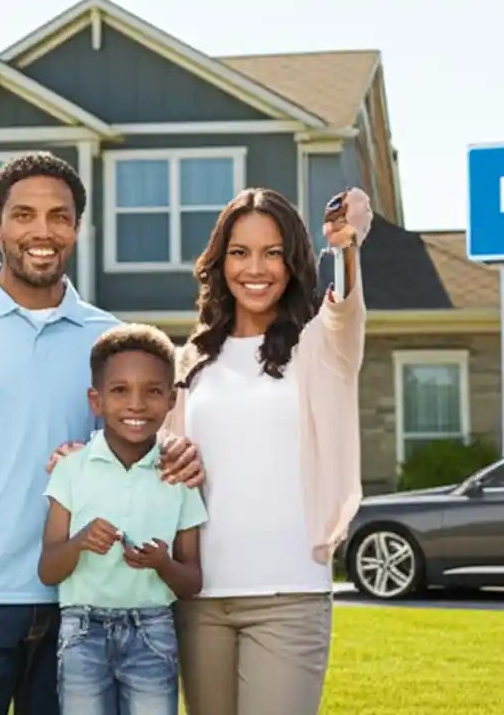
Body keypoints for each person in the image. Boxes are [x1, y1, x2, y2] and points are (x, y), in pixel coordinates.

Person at [0, 151, 205, 715]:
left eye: (59, 216)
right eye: (24, 215)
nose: (42, 231)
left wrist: (180, 454)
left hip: (81, 605)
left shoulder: (113, 344)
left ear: (77, 228)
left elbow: (145, 444)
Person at [164, 186, 373, 714]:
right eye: (240, 252)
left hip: (290, 595)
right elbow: (164, 456)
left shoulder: (322, 345)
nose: (255, 268)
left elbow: (344, 307)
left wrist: (347, 246)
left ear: (293, 261)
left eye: (272, 252)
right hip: (198, 599)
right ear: (220, 261)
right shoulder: (192, 358)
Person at [38, 323, 207, 715]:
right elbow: (48, 570)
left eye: (152, 391)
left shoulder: (178, 476)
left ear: (170, 401)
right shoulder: (71, 469)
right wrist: (80, 542)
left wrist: (162, 563)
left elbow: (192, 581)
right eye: (119, 390)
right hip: (82, 631)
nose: (136, 404)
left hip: (153, 630)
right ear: (96, 401)